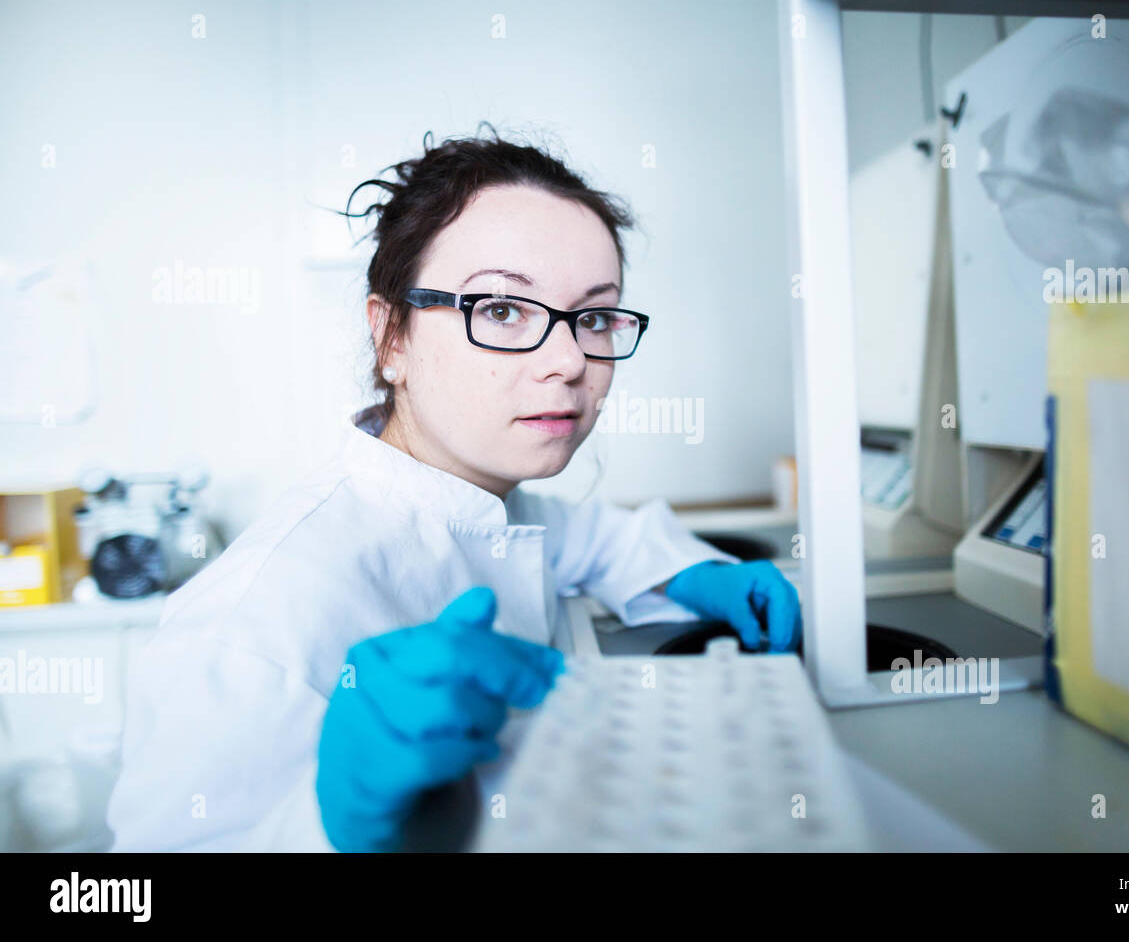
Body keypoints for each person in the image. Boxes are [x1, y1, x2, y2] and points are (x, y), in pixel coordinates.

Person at [106, 125, 802, 852]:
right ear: (391, 338)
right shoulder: (252, 623)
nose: (568, 360)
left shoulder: (486, 500)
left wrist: (693, 572)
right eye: (501, 309)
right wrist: (333, 831)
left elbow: (592, 540)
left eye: (594, 316)